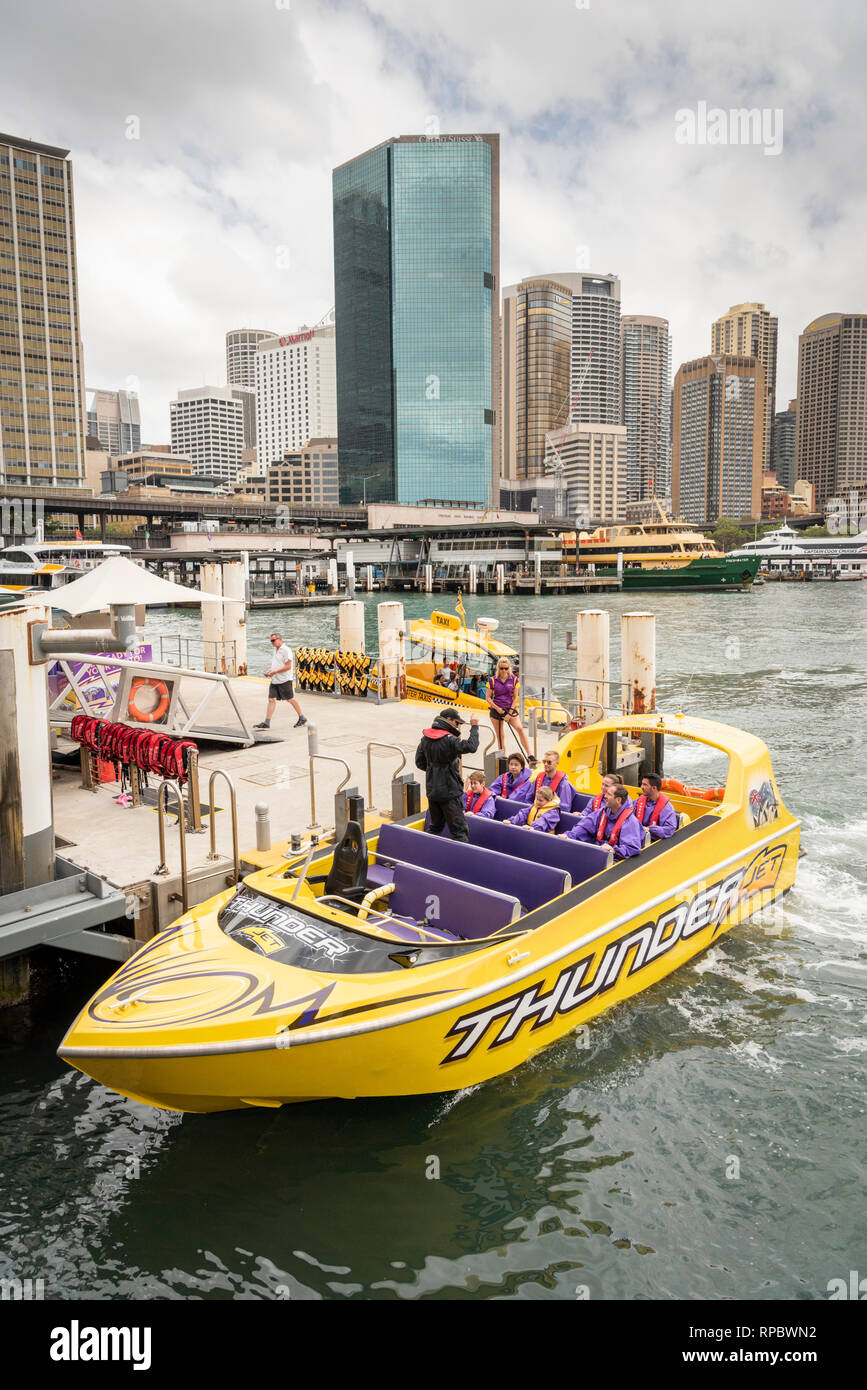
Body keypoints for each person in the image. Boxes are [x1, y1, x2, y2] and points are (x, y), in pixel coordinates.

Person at [415, 707, 480, 842]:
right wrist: (474, 726)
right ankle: (460, 861)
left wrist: (434, 771)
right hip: (450, 792)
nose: (458, 726)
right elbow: (472, 746)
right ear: (449, 720)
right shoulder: (449, 740)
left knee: (435, 828)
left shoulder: (425, 738)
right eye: (457, 723)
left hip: (432, 791)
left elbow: (419, 762)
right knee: (459, 832)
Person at [562, 784, 643, 860]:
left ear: (618, 800)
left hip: (615, 860)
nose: (605, 796)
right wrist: (568, 835)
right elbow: (584, 826)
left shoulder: (630, 821)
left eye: (609, 794)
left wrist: (614, 850)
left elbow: (632, 848)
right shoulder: (602, 812)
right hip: (598, 853)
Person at [485, 657, 534, 762]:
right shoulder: (492, 680)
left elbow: (515, 698)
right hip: (497, 710)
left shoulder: (514, 680)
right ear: (498, 668)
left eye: (506, 668)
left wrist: (510, 713)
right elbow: (488, 698)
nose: (504, 671)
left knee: (520, 729)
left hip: (510, 709)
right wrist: (497, 708)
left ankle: (530, 755)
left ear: (509, 668)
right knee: (500, 735)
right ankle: (503, 757)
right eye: (502, 668)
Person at [255, 631, 306, 730]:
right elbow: (277, 664)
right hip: (275, 679)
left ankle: (302, 717)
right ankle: (267, 722)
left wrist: (274, 672)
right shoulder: (276, 650)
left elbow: (288, 666)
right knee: (271, 699)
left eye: (273, 640)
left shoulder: (286, 650)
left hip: (284, 680)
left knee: (290, 699)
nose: (272, 643)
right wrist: (270, 671)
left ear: (279, 639)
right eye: (271, 641)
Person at [633, 773, 678, 841]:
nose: (641, 787)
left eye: (645, 785)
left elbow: (669, 829)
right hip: (635, 836)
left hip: (652, 840)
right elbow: (628, 817)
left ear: (654, 788)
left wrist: (650, 829)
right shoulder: (637, 802)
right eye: (642, 784)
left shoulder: (667, 808)